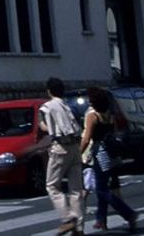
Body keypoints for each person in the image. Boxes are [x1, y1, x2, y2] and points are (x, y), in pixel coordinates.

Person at [80, 86, 138, 233]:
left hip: (100, 153)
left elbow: (87, 139)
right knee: (103, 186)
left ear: (93, 101)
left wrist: (78, 154)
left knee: (102, 190)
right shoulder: (110, 114)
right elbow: (115, 132)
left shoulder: (92, 116)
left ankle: (128, 213)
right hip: (112, 154)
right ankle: (101, 220)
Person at [40, 77, 85, 235]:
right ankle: (79, 227)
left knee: (52, 185)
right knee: (76, 189)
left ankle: (67, 219)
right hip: (75, 147)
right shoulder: (69, 105)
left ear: (49, 91)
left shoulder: (47, 107)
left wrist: (43, 126)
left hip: (60, 147)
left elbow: (46, 127)